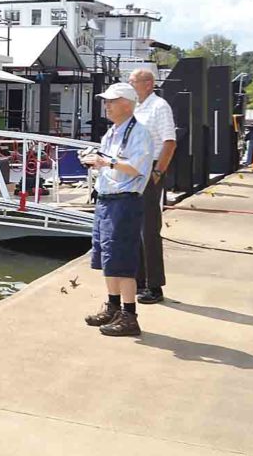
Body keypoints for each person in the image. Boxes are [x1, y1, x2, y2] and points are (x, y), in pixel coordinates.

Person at [81, 82, 154, 337]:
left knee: (122, 259)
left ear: (126, 103)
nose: (107, 106)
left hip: (124, 200)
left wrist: (107, 161)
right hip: (107, 199)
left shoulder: (139, 133)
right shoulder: (112, 131)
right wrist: (96, 163)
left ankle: (130, 315)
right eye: (107, 101)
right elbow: (110, 163)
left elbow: (136, 167)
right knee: (107, 256)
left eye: (111, 101)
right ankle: (113, 306)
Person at [129, 68, 177, 304]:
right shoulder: (137, 107)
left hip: (151, 167)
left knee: (149, 227)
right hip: (136, 167)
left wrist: (159, 172)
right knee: (135, 224)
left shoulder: (160, 107)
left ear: (148, 84)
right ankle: (139, 279)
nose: (130, 84)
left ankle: (155, 285)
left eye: (133, 81)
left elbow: (170, 141)